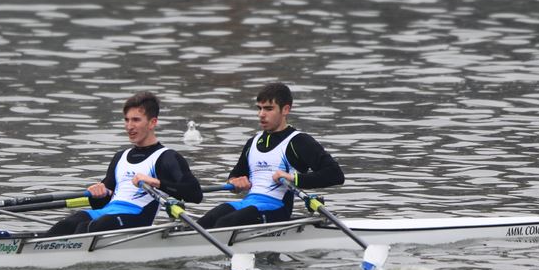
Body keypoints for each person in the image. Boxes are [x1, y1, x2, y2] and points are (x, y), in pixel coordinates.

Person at [45, 91, 203, 236]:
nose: (129, 126)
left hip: (136, 217)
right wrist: (97, 193)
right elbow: (101, 203)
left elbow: (195, 194)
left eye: (136, 120)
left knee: (90, 227)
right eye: (127, 120)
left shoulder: (167, 157)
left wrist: (156, 183)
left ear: (152, 122)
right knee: (67, 224)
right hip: (108, 212)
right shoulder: (120, 157)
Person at [197, 82, 344, 229]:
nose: (261, 114)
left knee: (226, 223)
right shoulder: (253, 142)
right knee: (205, 222)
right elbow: (237, 173)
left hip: (277, 208)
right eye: (259, 108)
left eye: (268, 109)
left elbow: (335, 174)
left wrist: (294, 178)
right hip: (248, 203)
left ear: (285, 109)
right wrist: (234, 181)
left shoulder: (299, 141)